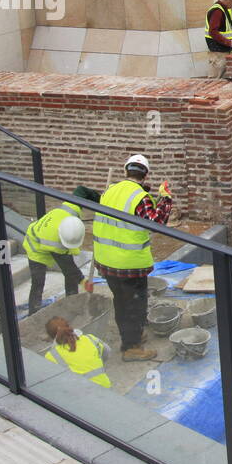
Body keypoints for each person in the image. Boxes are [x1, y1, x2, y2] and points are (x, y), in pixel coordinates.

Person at [93, 154, 172, 362]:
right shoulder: (140, 197)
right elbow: (156, 223)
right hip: (129, 262)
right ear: (145, 175)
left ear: (125, 171)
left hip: (105, 259)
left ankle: (132, 336)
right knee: (135, 305)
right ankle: (131, 347)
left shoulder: (110, 191)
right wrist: (166, 200)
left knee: (121, 301)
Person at [23, 187, 99, 315]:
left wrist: (100, 201)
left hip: (48, 237)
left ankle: (71, 301)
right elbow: (69, 269)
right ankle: (34, 311)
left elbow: (81, 191)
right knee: (38, 281)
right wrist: (84, 282)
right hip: (34, 246)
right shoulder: (56, 244)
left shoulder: (71, 210)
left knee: (70, 275)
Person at [44, 316, 112, 389]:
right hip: (105, 388)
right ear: (69, 327)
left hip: (79, 395)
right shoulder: (89, 338)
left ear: (51, 336)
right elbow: (107, 351)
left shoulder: (51, 356)